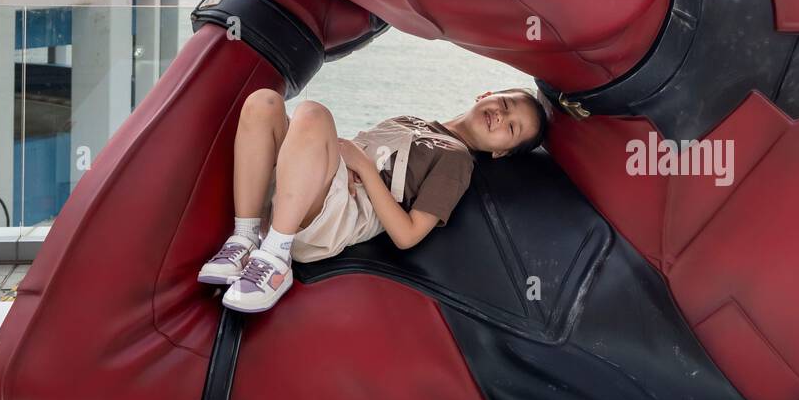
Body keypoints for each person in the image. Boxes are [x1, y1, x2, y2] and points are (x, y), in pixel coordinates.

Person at [198, 85, 547, 313]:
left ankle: (274, 259)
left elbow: (408, 235)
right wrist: (345, 159)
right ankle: (244, 238)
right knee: (265, 102)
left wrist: (362, 167)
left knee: (313, 113)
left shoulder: (455, 158)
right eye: (504, 103)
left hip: (340, 215)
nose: (501, 115)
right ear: (485, 94)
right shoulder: (411, 121)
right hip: (314, 186)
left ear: (502, 153)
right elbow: (350, 152)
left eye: (511, 128)